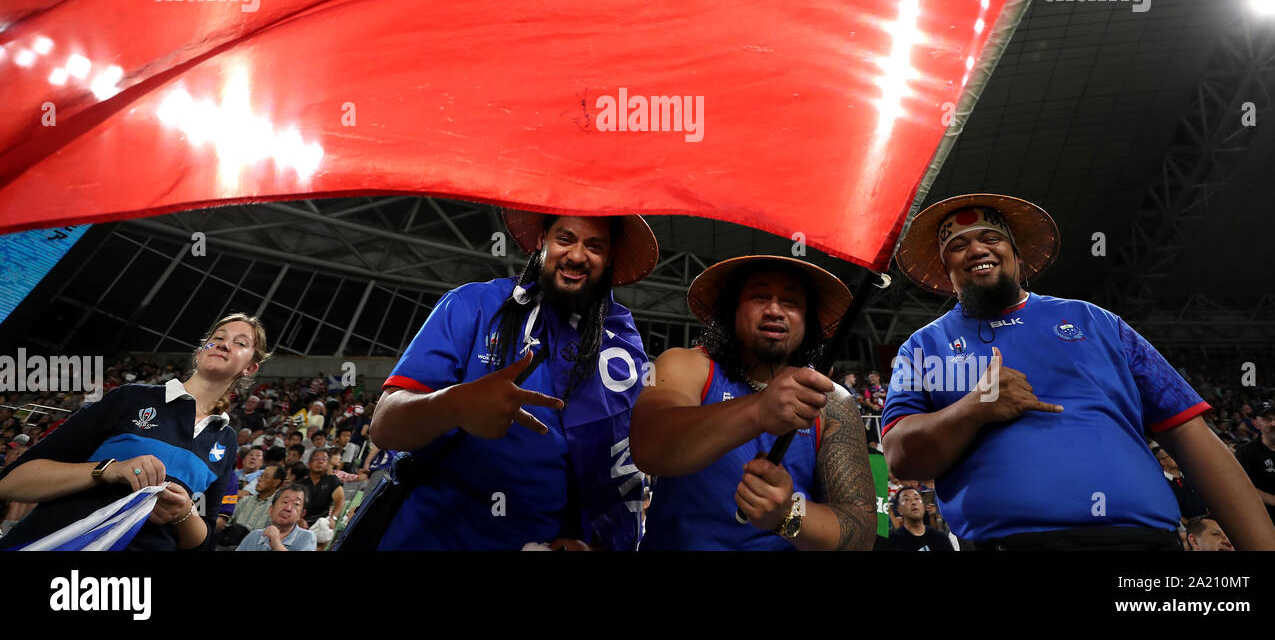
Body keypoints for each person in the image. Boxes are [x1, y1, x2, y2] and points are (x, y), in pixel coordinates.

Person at [882, 194, 1275, 550]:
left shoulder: (1098, 322)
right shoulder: (922, 346)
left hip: (1144, 543)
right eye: (957, 245)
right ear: (945, 269)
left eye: (991, 238)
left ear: (1017, 257)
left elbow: (1191, 437)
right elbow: (900, 457)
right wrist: (973, 408)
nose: (975, 249)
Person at [368, 210, 658, 550]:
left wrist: (589, 540)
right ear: (542, 240)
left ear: (608, 258)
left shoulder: (619, 351)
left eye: (594, 246)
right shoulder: (472, 305)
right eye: (565, 239)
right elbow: (384, 427)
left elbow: (614, 468)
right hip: (428, 536)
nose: (577, 256)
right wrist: (455, 405)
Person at [631, 255, 875, 550]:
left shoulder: (833, 401)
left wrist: (787, 515)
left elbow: (861, 532)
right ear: (732, 308)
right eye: (759, 297)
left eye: (791, 302)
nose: (774, 310)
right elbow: (648, 447)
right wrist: (760, 410)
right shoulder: (684, 365)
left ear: (809, 319)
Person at [0, 313, 268, 550]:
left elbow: (203, 542)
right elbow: (11, 482)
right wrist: (107, 470)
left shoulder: (226, 439)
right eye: (218, 337)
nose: (223, 343)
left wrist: (185, 514)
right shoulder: (130, 398)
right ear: (199, 352)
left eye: (240, 343)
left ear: (250, 367)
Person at [1234, 402, 1275, 550]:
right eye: (1268, 420)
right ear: (1256, 423)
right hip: (1273, 530)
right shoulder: (1246, 453)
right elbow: (1240, 488)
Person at [236, 485, 314, 552]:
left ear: (301, 515)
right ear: (271, 510)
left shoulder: (307, 537)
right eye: (285, 502)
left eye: (296, 504)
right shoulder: (254, 536)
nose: (288, 508)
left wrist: (277, 544)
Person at [886, 487, 953, 551]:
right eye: (907, 499)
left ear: (923, 506)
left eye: (916, 498)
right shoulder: (892, 542)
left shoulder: (940, 539)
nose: (913, 502)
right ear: (899, 509)